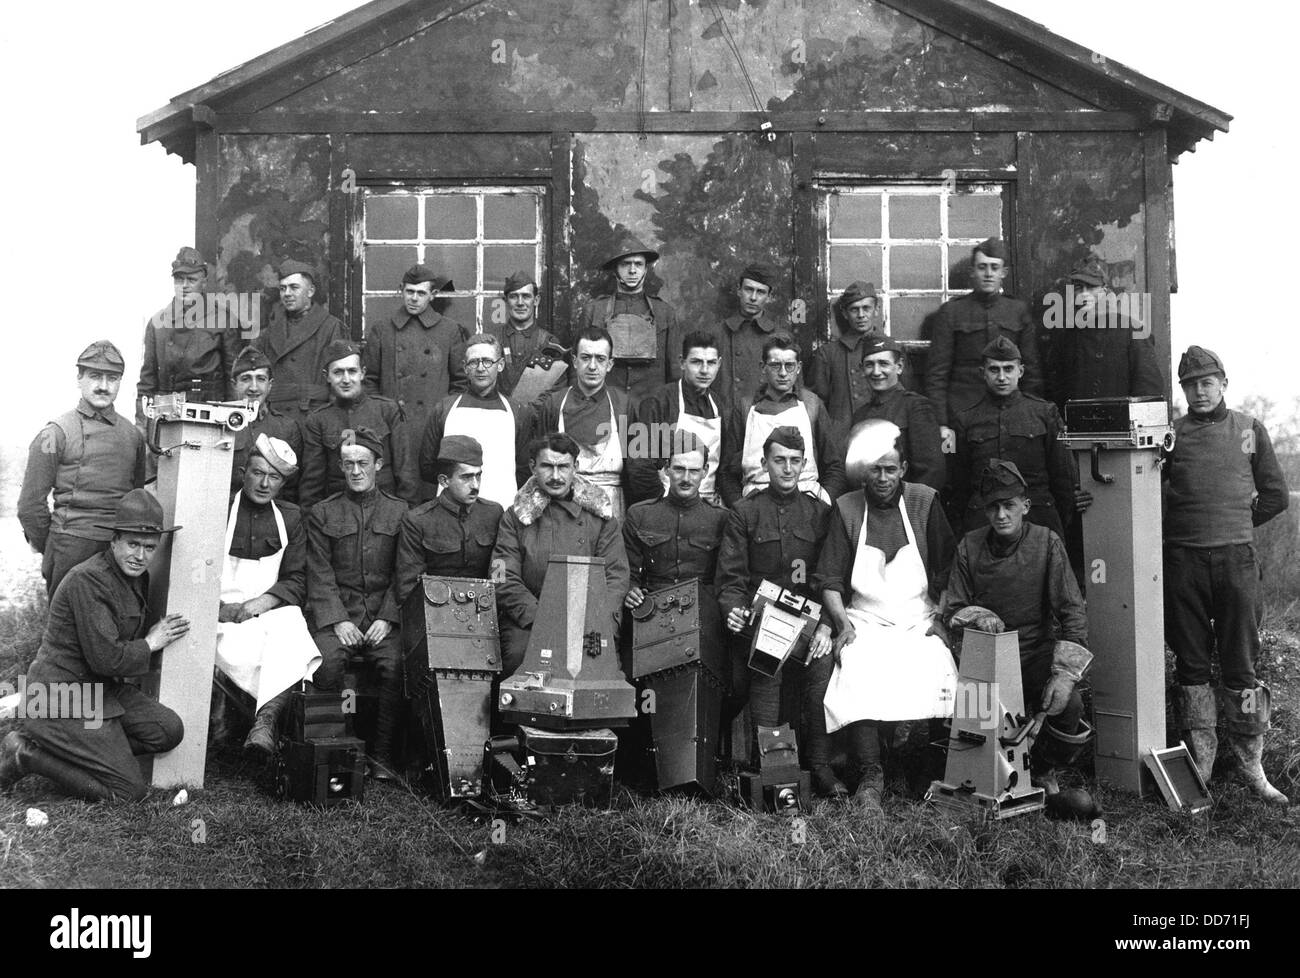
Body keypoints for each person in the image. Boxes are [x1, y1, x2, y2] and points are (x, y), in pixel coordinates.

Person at [0, 490, 189, 802]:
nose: (140, 556)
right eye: (132, 544)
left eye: (149, 547)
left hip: (99, 692)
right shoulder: (89, 580)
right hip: (60, 697)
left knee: (167, 729)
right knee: (128, 792)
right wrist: (151, 643)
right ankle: (25, 753)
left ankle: (89, 752)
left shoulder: (134, 577)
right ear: (113, 540)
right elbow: (108, 660)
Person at [1164, 346, 1290, 805]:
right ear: (1182, 390)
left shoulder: (1248, 431)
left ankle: (1252, 764)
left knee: (1243, 667)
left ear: (1223, 383)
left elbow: (1275, 496)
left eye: (1207, 382)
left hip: (1236, 564)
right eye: (1190, 384)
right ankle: (1200, 766)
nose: (1199, 390)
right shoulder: (1170, 436)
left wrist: (1235, 524)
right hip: (1182, 565)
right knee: (1192, 666)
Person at [812, 421, 957, 810]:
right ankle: (871, 773)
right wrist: (842, 625)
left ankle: (923, 767)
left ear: (904, 469)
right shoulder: (846, 507)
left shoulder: (924, 501)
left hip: (918, 614)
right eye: (874, 469)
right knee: (857, 666)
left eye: (890, 469)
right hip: (865, 617)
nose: (882, 477)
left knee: (937, 665)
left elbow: (947, 570)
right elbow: (829, 578)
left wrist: (939, 619)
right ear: (863, 471)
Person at [937, 459, 1093, 789]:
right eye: (993, 507)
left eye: (1009, 506)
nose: (1001, 515)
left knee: (1071, 705)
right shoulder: (970, 546)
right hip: (985, 661)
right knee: (961, 721)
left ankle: (1042, 768)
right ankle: (980, 772)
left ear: (1025, 505)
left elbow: (1072, 613)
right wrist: (978, 617)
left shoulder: (1046, 543)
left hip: (1034, 655)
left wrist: (1064, 676)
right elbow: (953, 608)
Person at [715, 427, 835, 794]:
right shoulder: (745, 512)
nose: (787, 469)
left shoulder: (820, 514)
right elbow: (731, 578)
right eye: (779, 460)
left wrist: (827, 626)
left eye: (795, 461)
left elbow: (829, 577)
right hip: (759, 625)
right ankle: (768, 766)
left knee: (822, 668)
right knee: (768, 660)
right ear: (765, 463)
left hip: (808, 625)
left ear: (804, 465)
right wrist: (733, 610)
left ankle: (820, 765)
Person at [306, 428, 408, 779]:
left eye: (363, 463)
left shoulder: (400, 513)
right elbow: (318, 572)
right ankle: (339, 753)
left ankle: (381, 758)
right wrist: (337, 621)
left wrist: (389, 619)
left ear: (378, 464)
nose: (355, 471)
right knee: (327, 662)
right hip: (341, 616)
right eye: (348, 464)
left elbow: (404, 573)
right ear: (340, 467)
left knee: (395, 666)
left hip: (382, 617)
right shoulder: (323, 512)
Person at [216, 435, 322, 754]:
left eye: (273, 477)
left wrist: (258, 605)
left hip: (263, 613)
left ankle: (265, 724)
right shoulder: (219, 511)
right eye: (257, 473)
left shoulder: (289, 518)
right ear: (242, 472)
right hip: (217, 618)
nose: (264, 483)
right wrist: (218, 608)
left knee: (291, 624)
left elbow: (296, 579)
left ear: (282, 483)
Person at [491, 433, 630, 675]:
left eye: (563, 467)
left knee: (600, 669)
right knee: (520, 660)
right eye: (547, 466)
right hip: (531, 621)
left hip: (590, 621)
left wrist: (600, 623)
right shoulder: (514, 517)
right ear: (533, 467)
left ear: (575, 466)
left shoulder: (601, 517)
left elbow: (616, 576)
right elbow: (501, 576)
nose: (556, 476)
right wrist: (540, 617)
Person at [18, 341, 148, 597]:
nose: (103, 386)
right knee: (65, 629)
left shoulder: (133, 436)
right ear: (79, 378)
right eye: (94, 376)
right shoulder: (56, 432)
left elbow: (136, 499)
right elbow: (29, 506)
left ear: (120, 382)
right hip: (69, 547)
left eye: (112, 378)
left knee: (113, 625)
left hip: (118, 551)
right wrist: (55, 544)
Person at [950, 336, 1078, 539]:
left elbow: (1064, 479)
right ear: (983, 373)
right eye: (994, 369)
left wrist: (1055, 520)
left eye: (1008, 369)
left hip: (1038, 518)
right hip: (984, 522)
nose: (1002, 377)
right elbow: (959, 486)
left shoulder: (1044, 413)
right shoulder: (965, 420)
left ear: (1021, 371)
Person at [924, 238, 1041, 433]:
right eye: (982, 267)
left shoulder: (1018, 311)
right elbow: (937, 375)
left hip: (1009, 414)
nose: (988, 274)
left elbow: (1031, 372)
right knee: (955, 459)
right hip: (961, 414)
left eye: (994, 268)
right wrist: (942, 423)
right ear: (972, 271)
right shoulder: (951, 312)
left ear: (1003, 273)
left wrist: (1031, 414)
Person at [719, 333, 845, 506]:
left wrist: (824, 503)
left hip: (806, 503)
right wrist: (739, 507)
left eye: (789, 366)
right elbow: (727, 472)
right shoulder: (746, 408)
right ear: (763, 367)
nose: (783, 373)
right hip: (756, 504)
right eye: (775, 365)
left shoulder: (812, 405)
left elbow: (834, 465)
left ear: (799, 367)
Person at [362, 264, 467, 460]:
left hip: (432, 428)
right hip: (391, 426)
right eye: (409, 291)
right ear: (401, 290)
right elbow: (369, 380)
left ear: (433, 295)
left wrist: (443, 417)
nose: (414, 298)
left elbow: (461, 382)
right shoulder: (382, 330)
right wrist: (381, 416)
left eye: (421, 293)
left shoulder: (449, 330)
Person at [300, 340, 418, 508]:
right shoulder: (318, 420)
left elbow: (406, 473)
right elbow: (312, 483)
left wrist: (408, 516)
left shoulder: (387, 410)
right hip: (338, 513)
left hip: (385, 511)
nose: (346, 379)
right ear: (327, 376)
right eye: (338, 372)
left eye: (352, 371)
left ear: (362, 373)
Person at [419, 333, 532, 506]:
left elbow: (524, 469)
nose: (480, 368)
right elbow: (427, 466)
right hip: (451, 512)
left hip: (502, 509)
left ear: (500, 365)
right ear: (465, 367)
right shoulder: (444, 409)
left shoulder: (518, 412)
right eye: (473, 362)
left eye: (487, 361)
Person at [532, 328, 632, 518]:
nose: (592, 366)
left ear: (610, 364)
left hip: (613, 508)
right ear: (574, 361)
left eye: (600, 359)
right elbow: (540, 465)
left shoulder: (626, 405)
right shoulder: (554, 404)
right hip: (563, 507)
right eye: (585, 358)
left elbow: (638, 470)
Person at [396, 436, 504, 607]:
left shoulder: (493, 513)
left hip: (485, 609)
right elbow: (409, 585)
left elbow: (501, 568)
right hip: (436, 611)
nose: (475, 485)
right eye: (466, 477)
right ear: (444, 481)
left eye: (478, 476)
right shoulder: (418, 520)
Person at [136, 246, 241, 422]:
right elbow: (147, 383)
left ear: (204, 282)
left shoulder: (223, 320)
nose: (184, 286)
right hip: (168, 414)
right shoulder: (158, 324)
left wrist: (233, 421)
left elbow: (234, 379)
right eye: (179, 280)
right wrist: (142, 424)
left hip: (209, 415)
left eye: (191, 280)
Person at [623, 432, 729, 606]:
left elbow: (726, 579)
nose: (686, 479)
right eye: (679, 469)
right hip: (653, 606)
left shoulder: (721, 518)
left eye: (694, 471)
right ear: (666, 469)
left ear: (705, 471)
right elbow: (628, 572)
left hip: (702, 608)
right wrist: (631, 589)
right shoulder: (640, 515)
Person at [1046, 255, 1164, 405]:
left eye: (1091, 287)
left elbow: (1148, 389)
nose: (1084, 294)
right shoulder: (1066, 336)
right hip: (1079, 423)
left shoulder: (1132, 331)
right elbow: (1057, 388)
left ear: (1105, 290)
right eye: (1078, 288)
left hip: (1121, 423)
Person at [578, 236, 679, 409]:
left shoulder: (664, 312)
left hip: (651, 407)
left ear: (646, 269)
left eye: (638, 264)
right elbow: (579, 366)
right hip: (604, 406)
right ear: (615, 269)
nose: (632, 271)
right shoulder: (595, 310)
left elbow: (675, 371)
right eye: (625, 264)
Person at [627, 331, 725, 505]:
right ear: (682, 362)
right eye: (696, 362)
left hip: (708, 508)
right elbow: (639, 466)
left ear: (718, 364)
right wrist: (661, 505)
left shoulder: (718, 405)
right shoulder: (658, 402)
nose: (704, 370)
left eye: (710, 363)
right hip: (668, 505)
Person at [253, 259, 347, 424]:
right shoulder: (269, 331)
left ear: (310, 291)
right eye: (282, 289)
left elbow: (341, 379)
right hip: (275, 416)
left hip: (313, 415)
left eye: (294, 287)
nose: (287, 293)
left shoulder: (331, 327)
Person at [848, 334, 946, 491]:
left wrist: (910, 508)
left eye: (883, 364)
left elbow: (932, 470)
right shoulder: (861, 415)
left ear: (899, 367)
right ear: (862, 370)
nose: (876, 371)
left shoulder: (916, 406)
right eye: (869, 365)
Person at [806, 280, 883, 442]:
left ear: (876, 310)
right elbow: (816, 405)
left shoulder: (892, 350)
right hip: (842, 441)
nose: (861, 315)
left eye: (866, 308)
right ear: (845, 313)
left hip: (883, 437)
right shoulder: (828, 354)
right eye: (854, 310)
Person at [228, 346, 303, 501]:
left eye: (261, 379)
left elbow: (291, 488)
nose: (253, 387)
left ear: (270, 384)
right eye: (246, 379)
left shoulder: (287, 428)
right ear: (233, 384)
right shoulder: (219, 424)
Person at [711, 262, 788, 414]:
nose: (753, 297)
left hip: (764, 421)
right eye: (748, 289)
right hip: (724, 421)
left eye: (760, 292)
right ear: (739, 291)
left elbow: (792, 390)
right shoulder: (717, 334)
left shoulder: (781, 338)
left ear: (769, 296)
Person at [482, 270, 564, 402]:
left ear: (536, 300)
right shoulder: (492, 342)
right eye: (514, 296)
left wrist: (531, 414)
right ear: (506, 301)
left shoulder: (550, 343)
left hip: (538, 419)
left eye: (526, 296)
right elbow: (481, 384)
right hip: (498, 416)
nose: (520, 302)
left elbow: (557, 391)